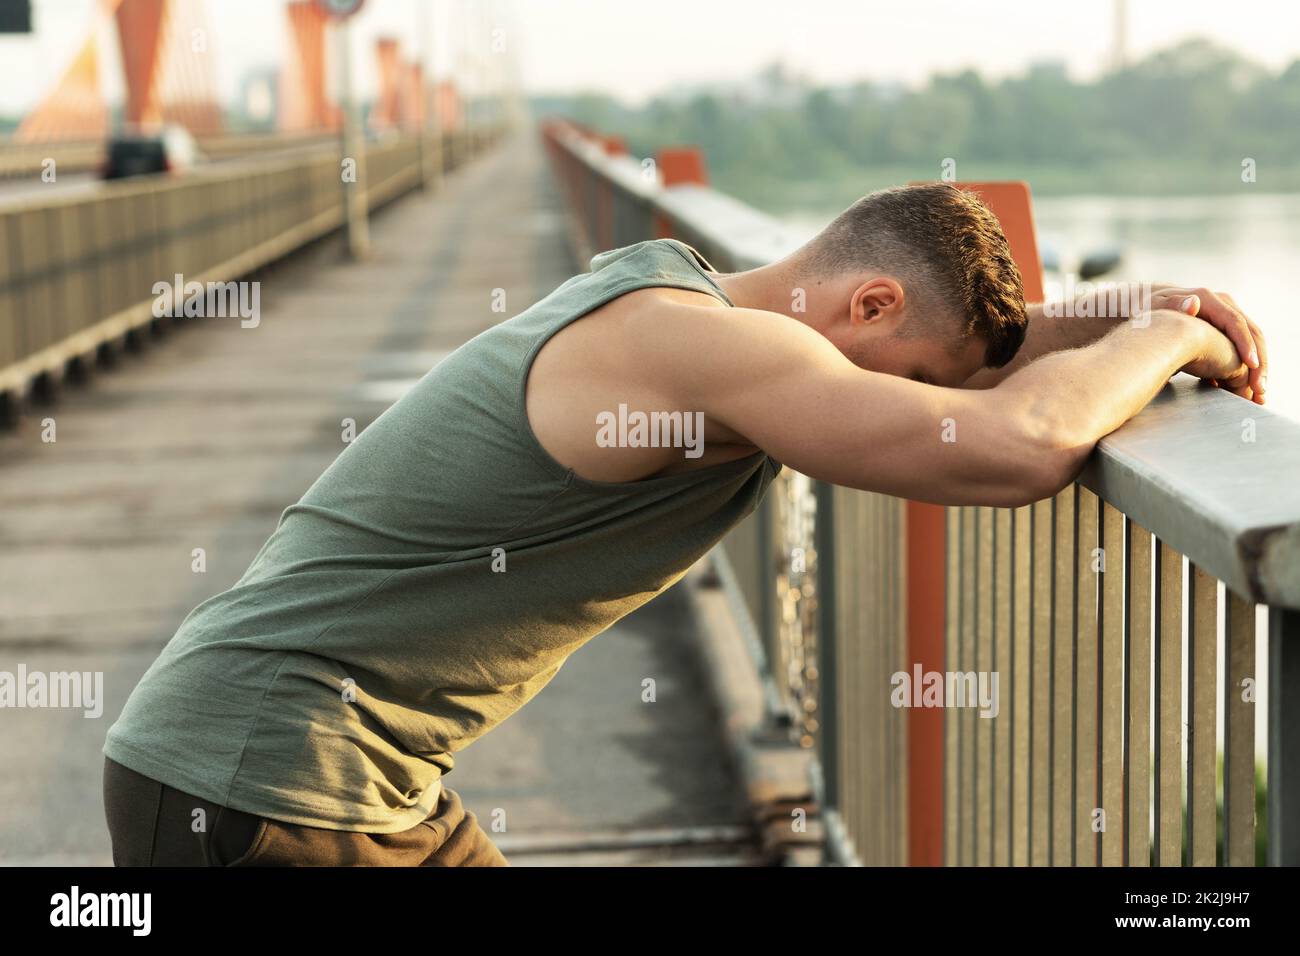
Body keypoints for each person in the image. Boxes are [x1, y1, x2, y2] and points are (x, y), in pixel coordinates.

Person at [101, 182, 1267, 866]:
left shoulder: (675, 297)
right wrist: (1174, 346)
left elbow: (977, 386)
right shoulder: (710, 348)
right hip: (269, 775)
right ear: (868, 301)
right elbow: (1012, 444)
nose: (919, 402)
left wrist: (1135, 309)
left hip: (318, 765)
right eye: (915, 370)